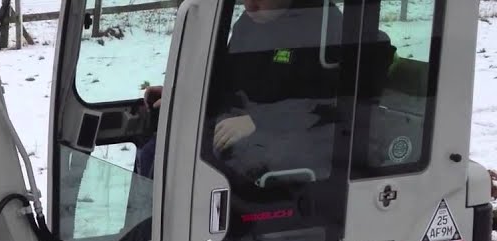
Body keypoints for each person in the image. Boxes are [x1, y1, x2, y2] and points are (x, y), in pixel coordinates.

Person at [134, 0, 346, 180]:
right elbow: (225, 83)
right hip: (241, 133)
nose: (250, 4)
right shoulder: (247, 26)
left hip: (295, 156)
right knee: (155, 152)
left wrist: (261, 120)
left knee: (176, 163)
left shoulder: (328, 30)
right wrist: (183, 97)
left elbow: (332, 106)